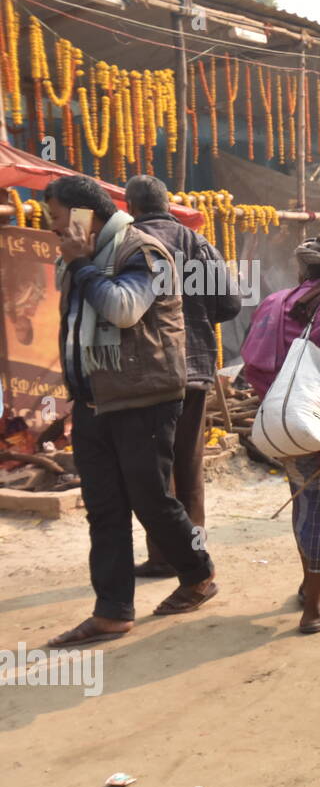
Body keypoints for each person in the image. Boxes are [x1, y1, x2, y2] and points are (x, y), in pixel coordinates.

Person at [43, 175, 218, 647]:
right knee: (104, 511)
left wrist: (81, 265)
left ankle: (199, 571)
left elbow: (123, 309)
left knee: (152, 501)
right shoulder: (83, 259)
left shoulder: (142, 252)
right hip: (94, 402)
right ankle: (113, 611)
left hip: (144, 399)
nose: (55, 231)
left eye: (58, 221)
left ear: (86, 216)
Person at [241, 234, 320, 634]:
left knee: (304, 504)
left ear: (301, 269)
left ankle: (305, 585)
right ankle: (313, 609)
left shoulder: (273, 305)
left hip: (281, 426)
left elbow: (254, 365)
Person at [123, 174, 242, 579]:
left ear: (130, 207)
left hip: (145, 375)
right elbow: (229, 304)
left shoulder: (126, 244)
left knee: (153, 471)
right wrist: (198, 312)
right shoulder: (197, 244)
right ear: (168, 204)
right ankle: (192, 556)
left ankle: (162, 556)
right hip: (194, 370)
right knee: (187, 466)